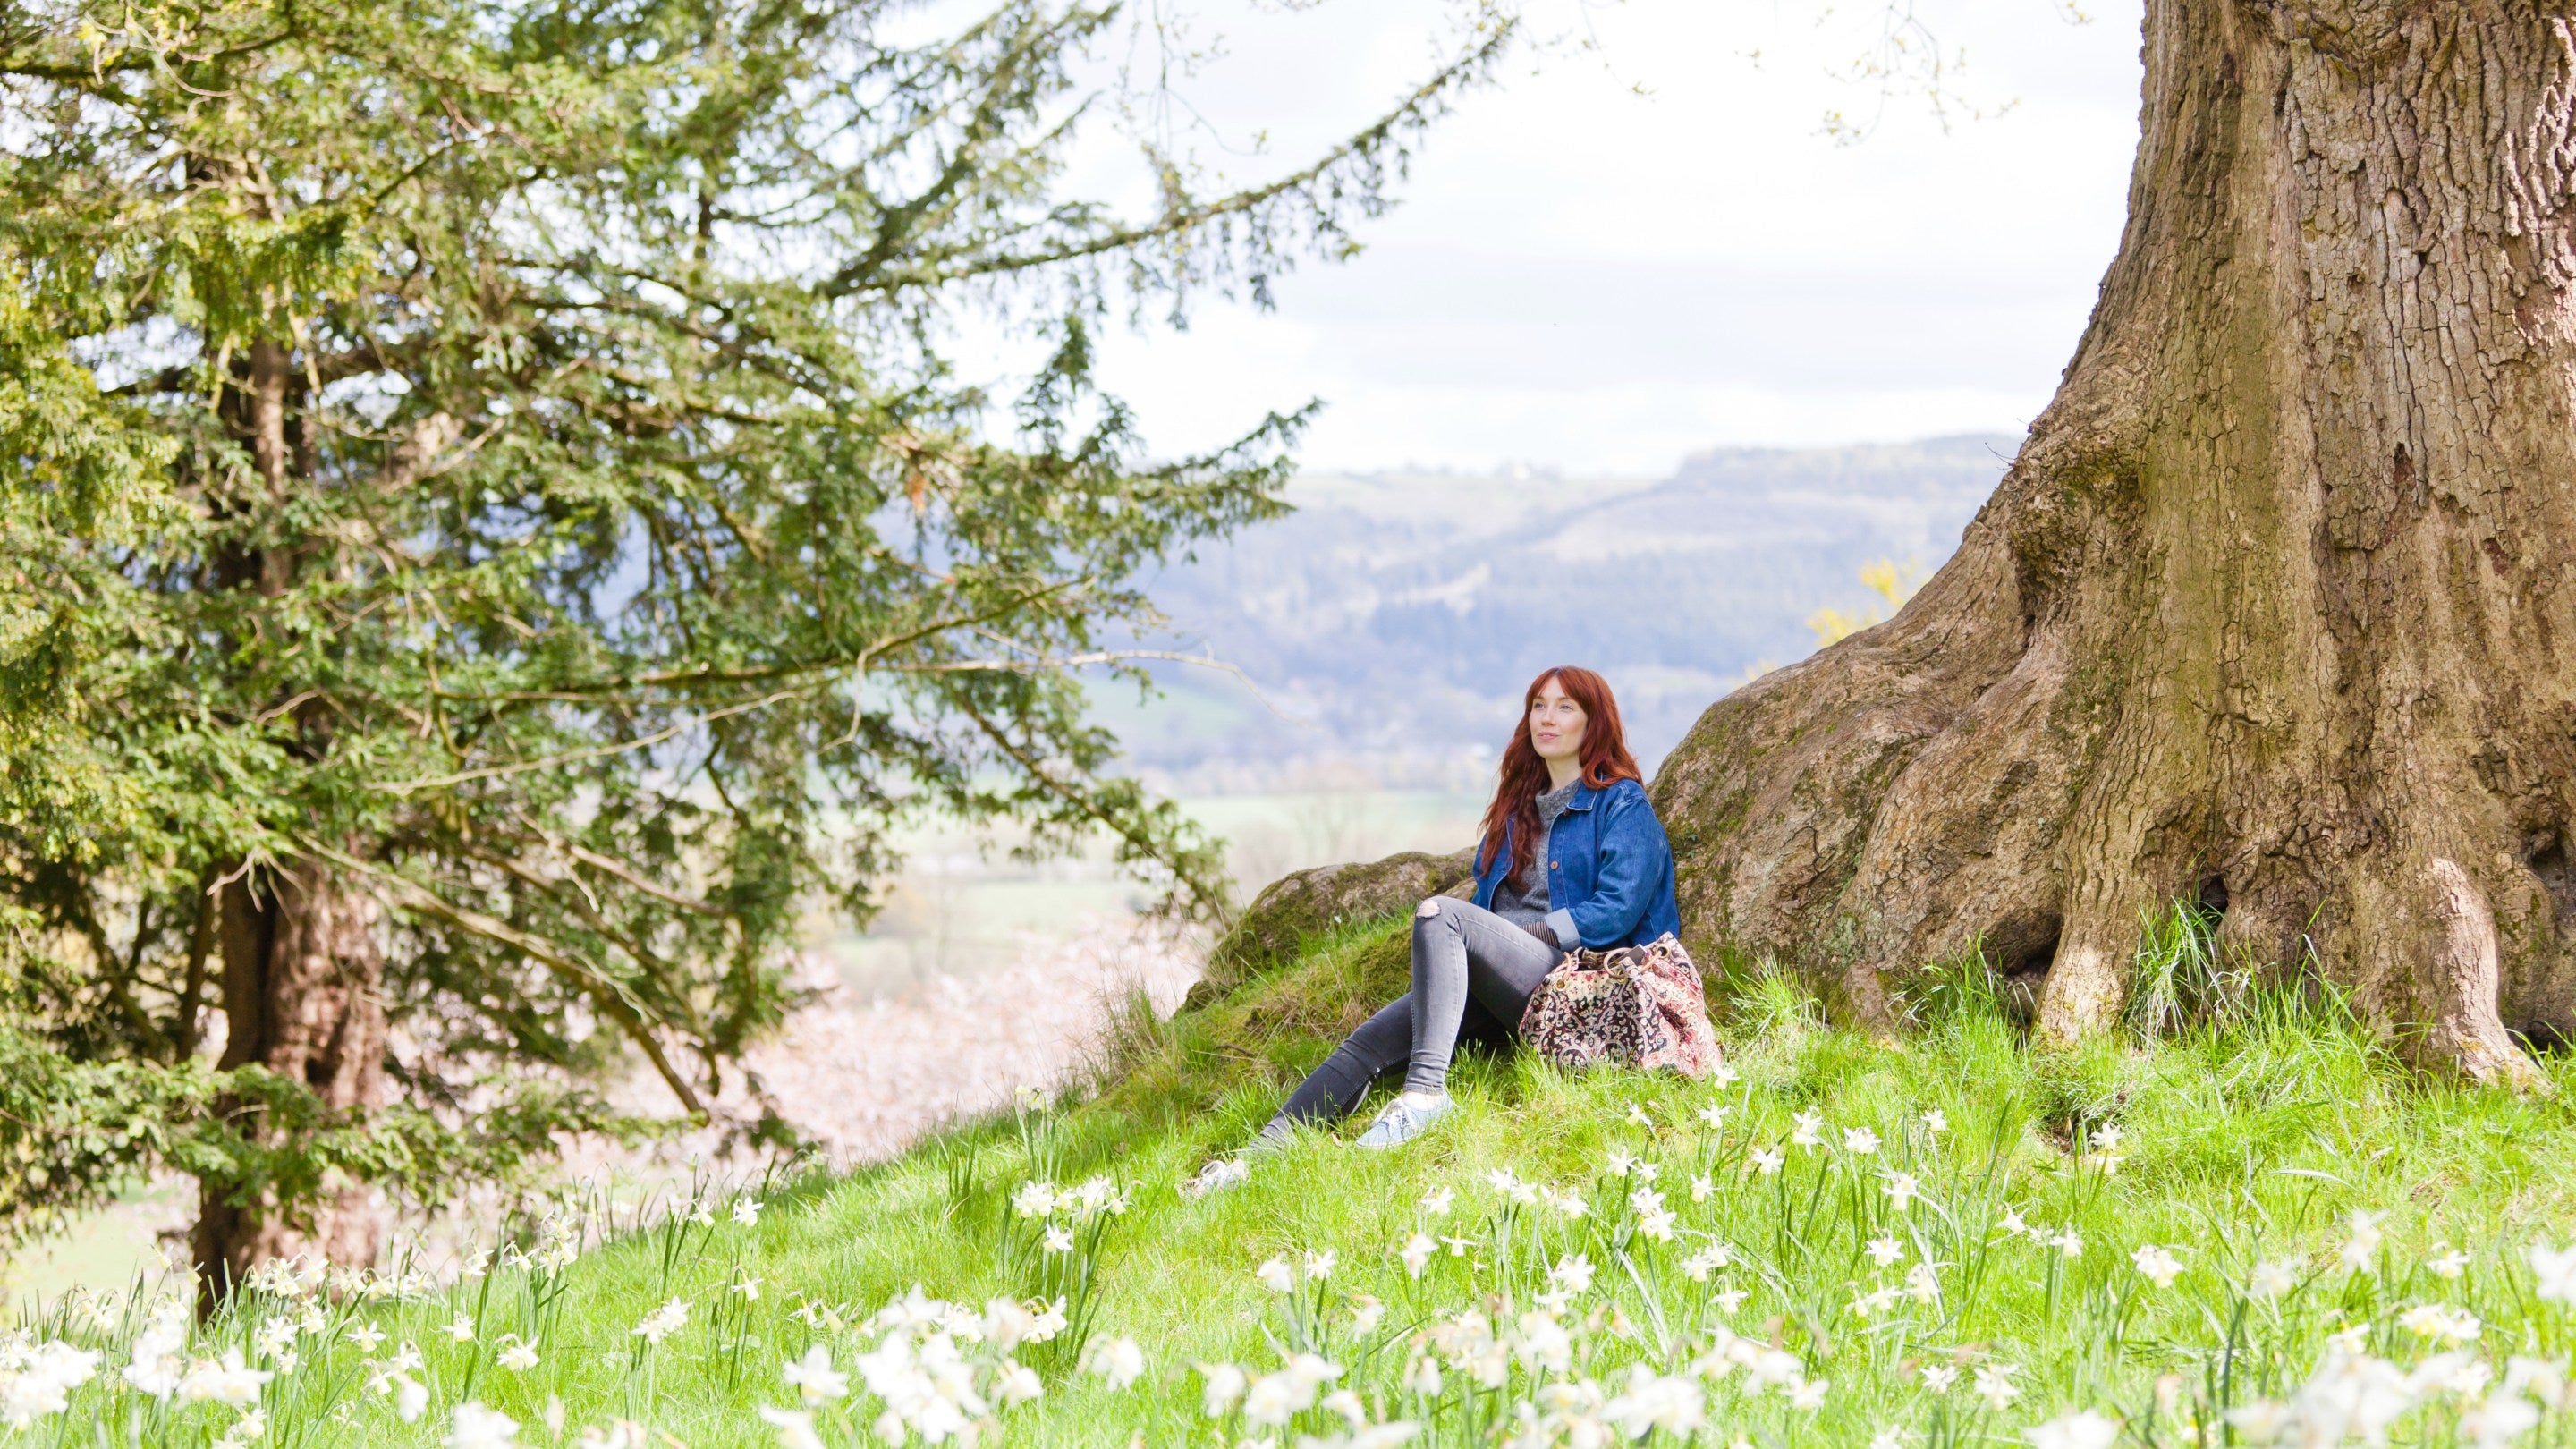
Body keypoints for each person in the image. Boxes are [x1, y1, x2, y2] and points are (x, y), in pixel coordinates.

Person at [1185, 666, 1682, 1194]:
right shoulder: (1517, 813)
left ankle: (1425, 1097)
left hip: (1575, 977)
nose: (1547, 718)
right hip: (1506, 981)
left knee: (1440, 913)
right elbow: (1490, 905)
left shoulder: (1620, 802)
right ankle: (1252, 1164)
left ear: (1593, 722)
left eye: (1565, 707)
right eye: (1538, 705)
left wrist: (1531, 932)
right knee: (1366, 1045)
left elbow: (1618, 909)